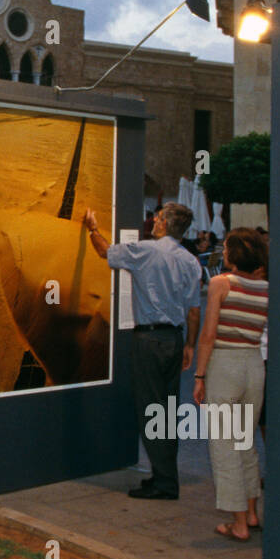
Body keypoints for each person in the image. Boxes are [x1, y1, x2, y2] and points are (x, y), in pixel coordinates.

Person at [84, 203, 202, 500]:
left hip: (149, 339)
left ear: (163, 223)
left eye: (158, 217)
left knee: (151, 408)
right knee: (167, 410)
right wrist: (189, 345)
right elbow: (194, 311)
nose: (153, 221)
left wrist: (92, 228)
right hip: (174, 338)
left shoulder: (147, 251)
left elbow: (104, 252)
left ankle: (164, 482)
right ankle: (164, 475)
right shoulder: (190, 261)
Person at [192, 228, 268, 542]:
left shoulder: (220, 283)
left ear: (233, 255)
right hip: (254, 363)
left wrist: (199, 375)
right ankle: (251, 512)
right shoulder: (266, 288)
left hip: (225, 363)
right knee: (245, 442)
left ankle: (238, 523)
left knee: (224, 444)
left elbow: (208, 334)